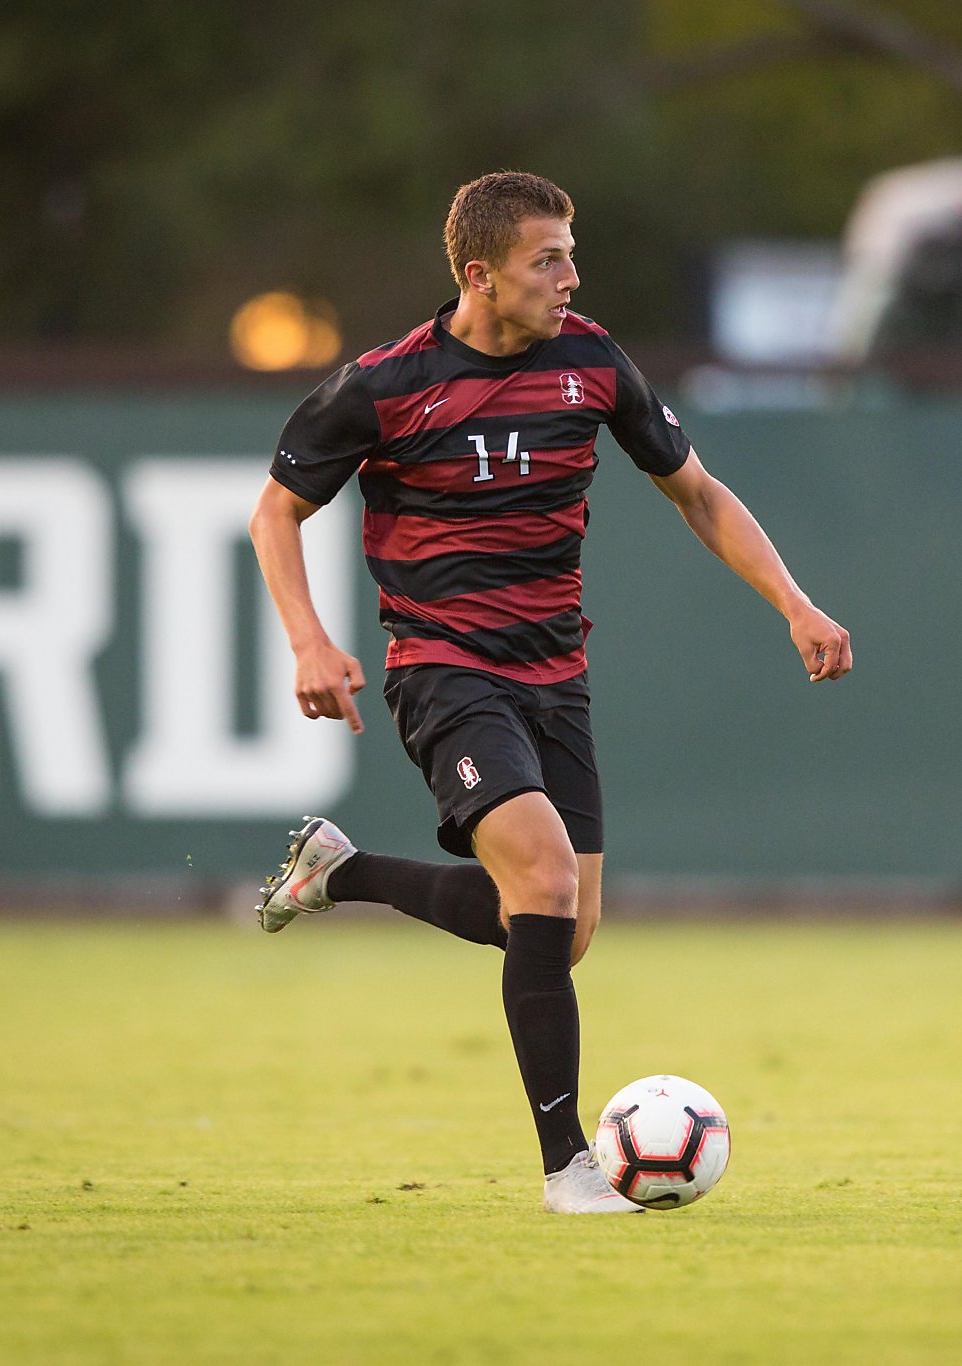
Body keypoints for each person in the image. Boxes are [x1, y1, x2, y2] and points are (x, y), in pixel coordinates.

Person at [248, 171, 853, 1213]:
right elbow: (275, 511)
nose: (571, 278)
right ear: (480, 275)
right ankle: (568, 1169)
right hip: (444, 667)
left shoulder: (591, 362)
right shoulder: (386, 384)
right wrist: (308, 640)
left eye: (571, 256)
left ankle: (341, 872)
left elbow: (697, 494)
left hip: (556, 675)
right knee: (543, 875)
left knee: (556, 927)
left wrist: (794, 604)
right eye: (548, 260)